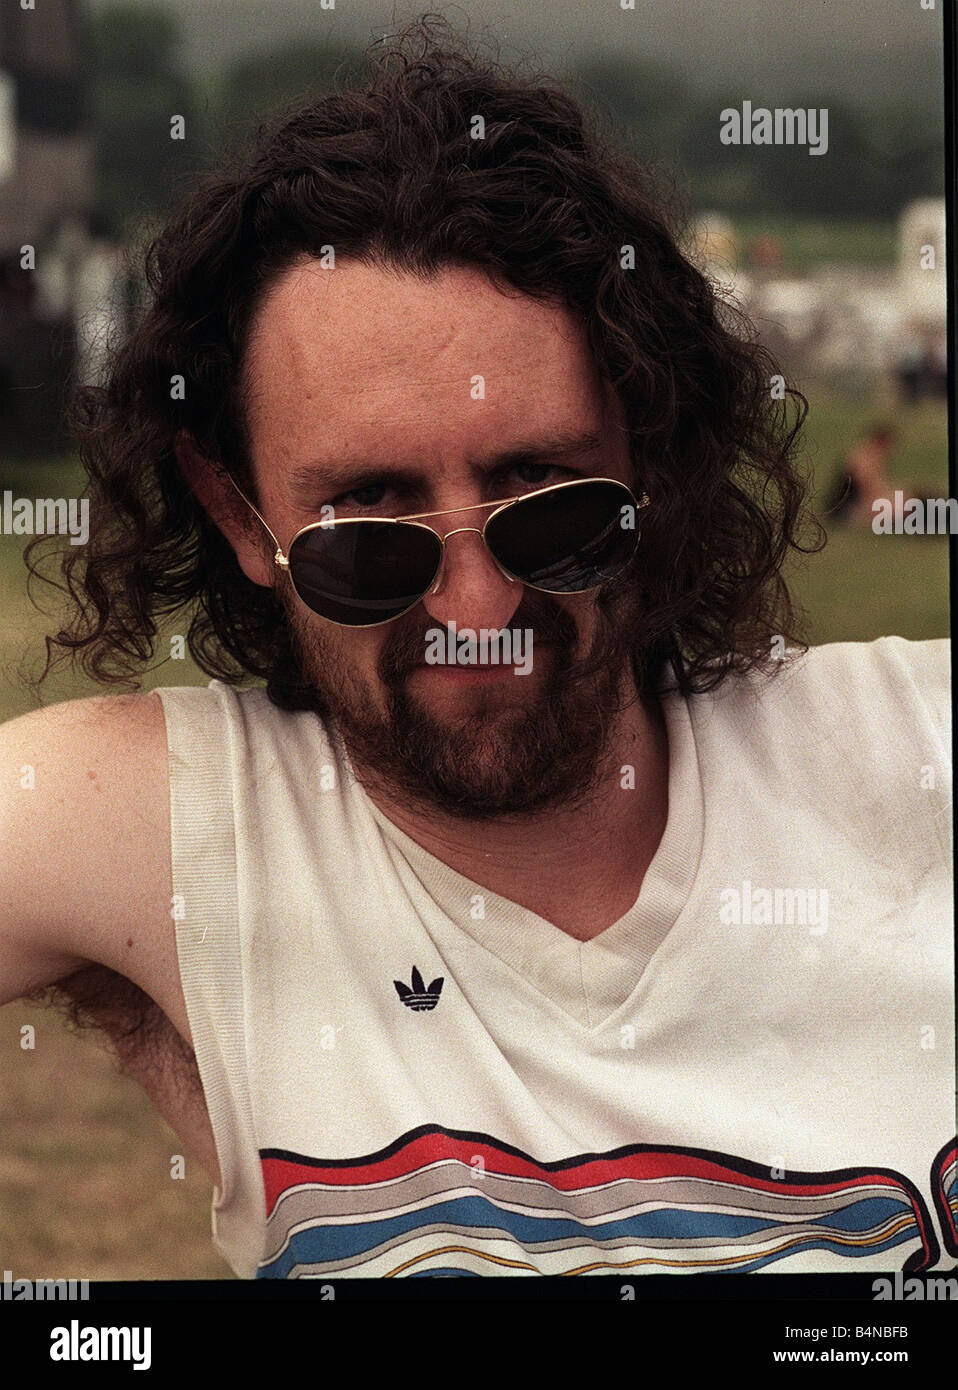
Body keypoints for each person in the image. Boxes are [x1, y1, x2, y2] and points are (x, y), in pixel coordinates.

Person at [3, 20, 954, 1279]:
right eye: (370, 537)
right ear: (241, 516)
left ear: (650, 464)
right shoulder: (166, 834)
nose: (474, 605)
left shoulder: (914, 753)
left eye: (549, 508)